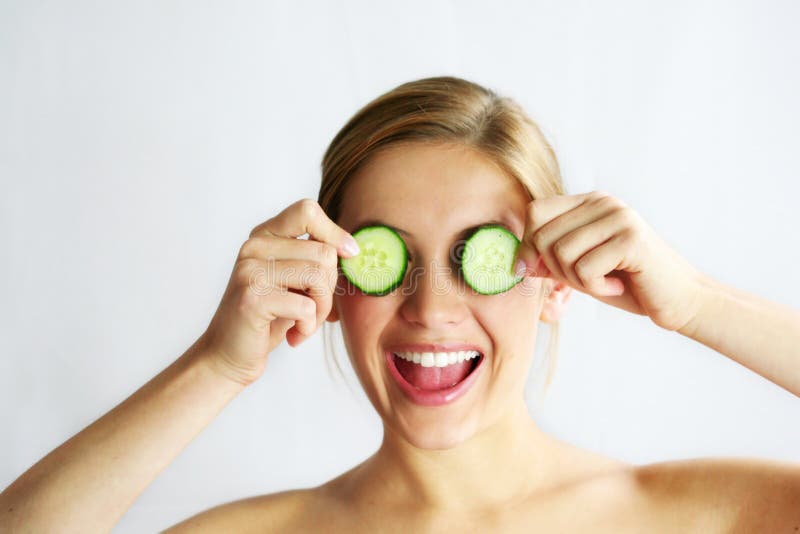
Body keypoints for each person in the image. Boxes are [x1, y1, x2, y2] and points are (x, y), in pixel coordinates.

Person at [1, 76, 798, 533]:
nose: (430, 309)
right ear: (331, 284)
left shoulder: (700, 518)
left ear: (556, 281)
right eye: (389, 261)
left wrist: (693, 304)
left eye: (479, 257)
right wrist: (214, 365)